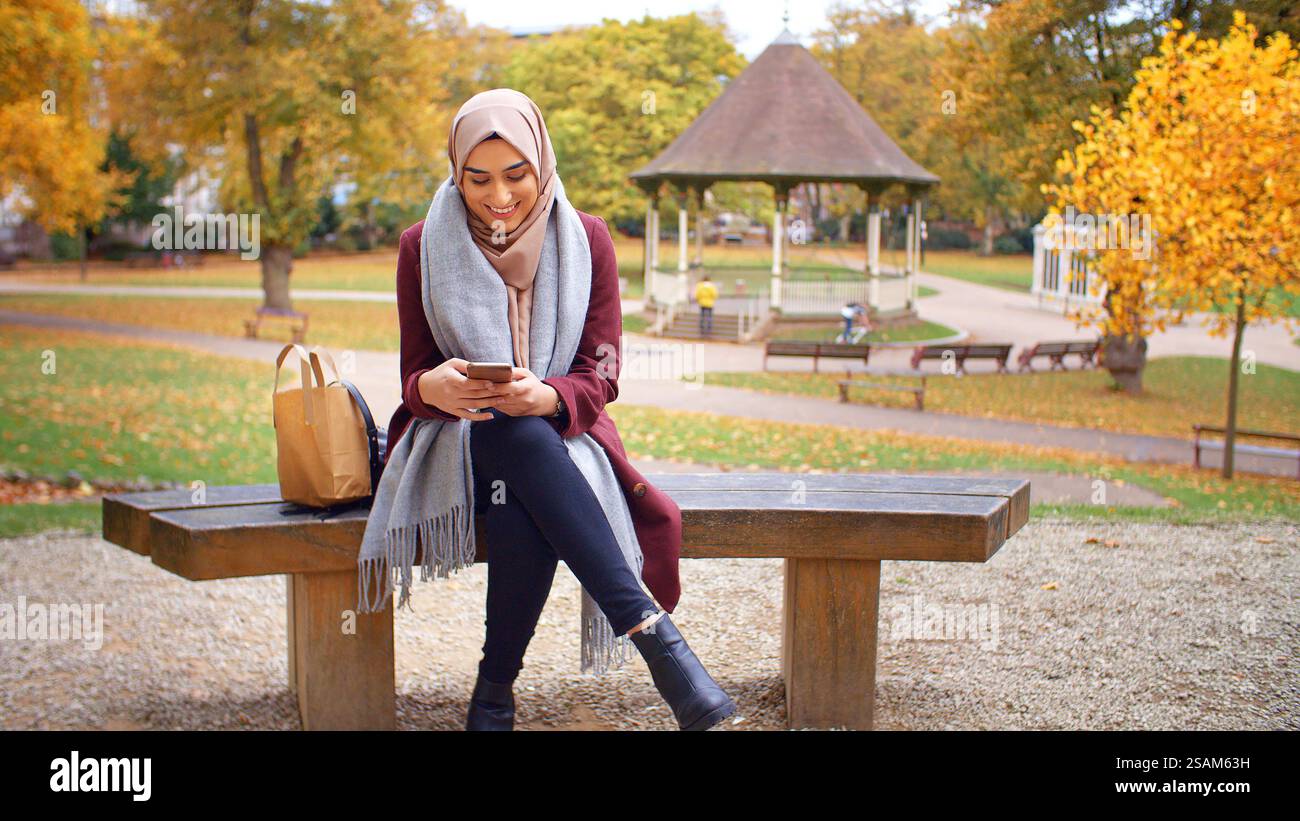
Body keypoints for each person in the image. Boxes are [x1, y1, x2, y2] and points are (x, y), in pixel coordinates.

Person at [361, 88, 736, 732]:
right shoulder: (421, 244)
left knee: (523, 479)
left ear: (542, 164)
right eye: (477, 179)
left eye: (516, 175)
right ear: (455, 172)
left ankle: (493, 694)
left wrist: (550, 398)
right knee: (519, 445)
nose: (499, 196)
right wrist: (434, 391)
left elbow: (603, 371)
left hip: (553, 447)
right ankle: (654, 638)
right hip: (457, 448)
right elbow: (412, 376)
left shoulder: (587, 238)